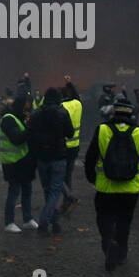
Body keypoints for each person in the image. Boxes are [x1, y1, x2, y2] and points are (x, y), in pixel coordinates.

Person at [84, 94, 139, 271]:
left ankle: (108, 243)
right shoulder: (138, 132)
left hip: (105, 187)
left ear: (113, 112)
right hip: (130, 189)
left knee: (105, 219)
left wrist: (92, 178)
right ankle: (120, 253)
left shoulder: (101, 130)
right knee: (124, 221)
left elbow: (90, 157)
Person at [25, 87, 73, 236]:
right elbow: (70, 133)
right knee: (55, 192)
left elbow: (30, 133)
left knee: (48, 191)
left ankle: (55, 222)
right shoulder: (62, 112)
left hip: (42, 157)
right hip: (58, 156)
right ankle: (44, 223)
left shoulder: (36, 113)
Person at [0, 95, 36, 234]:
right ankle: (9, 222)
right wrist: (30, 129)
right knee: (14, 192)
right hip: (12, 162)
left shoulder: (20, 117)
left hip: (23, 160)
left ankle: (27, 219)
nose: (29, 105)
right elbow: (16, 139)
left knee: (27, 190)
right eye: (27, 103)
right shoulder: (9, 119)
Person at [58, 79, 83, 213]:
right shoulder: (78, 104)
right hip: (75, 146)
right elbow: (77, 95)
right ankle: (67, 200)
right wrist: (69, 84)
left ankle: (68, 197)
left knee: (58, 174)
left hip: (62, 146)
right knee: (68, 174)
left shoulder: (61, 108)